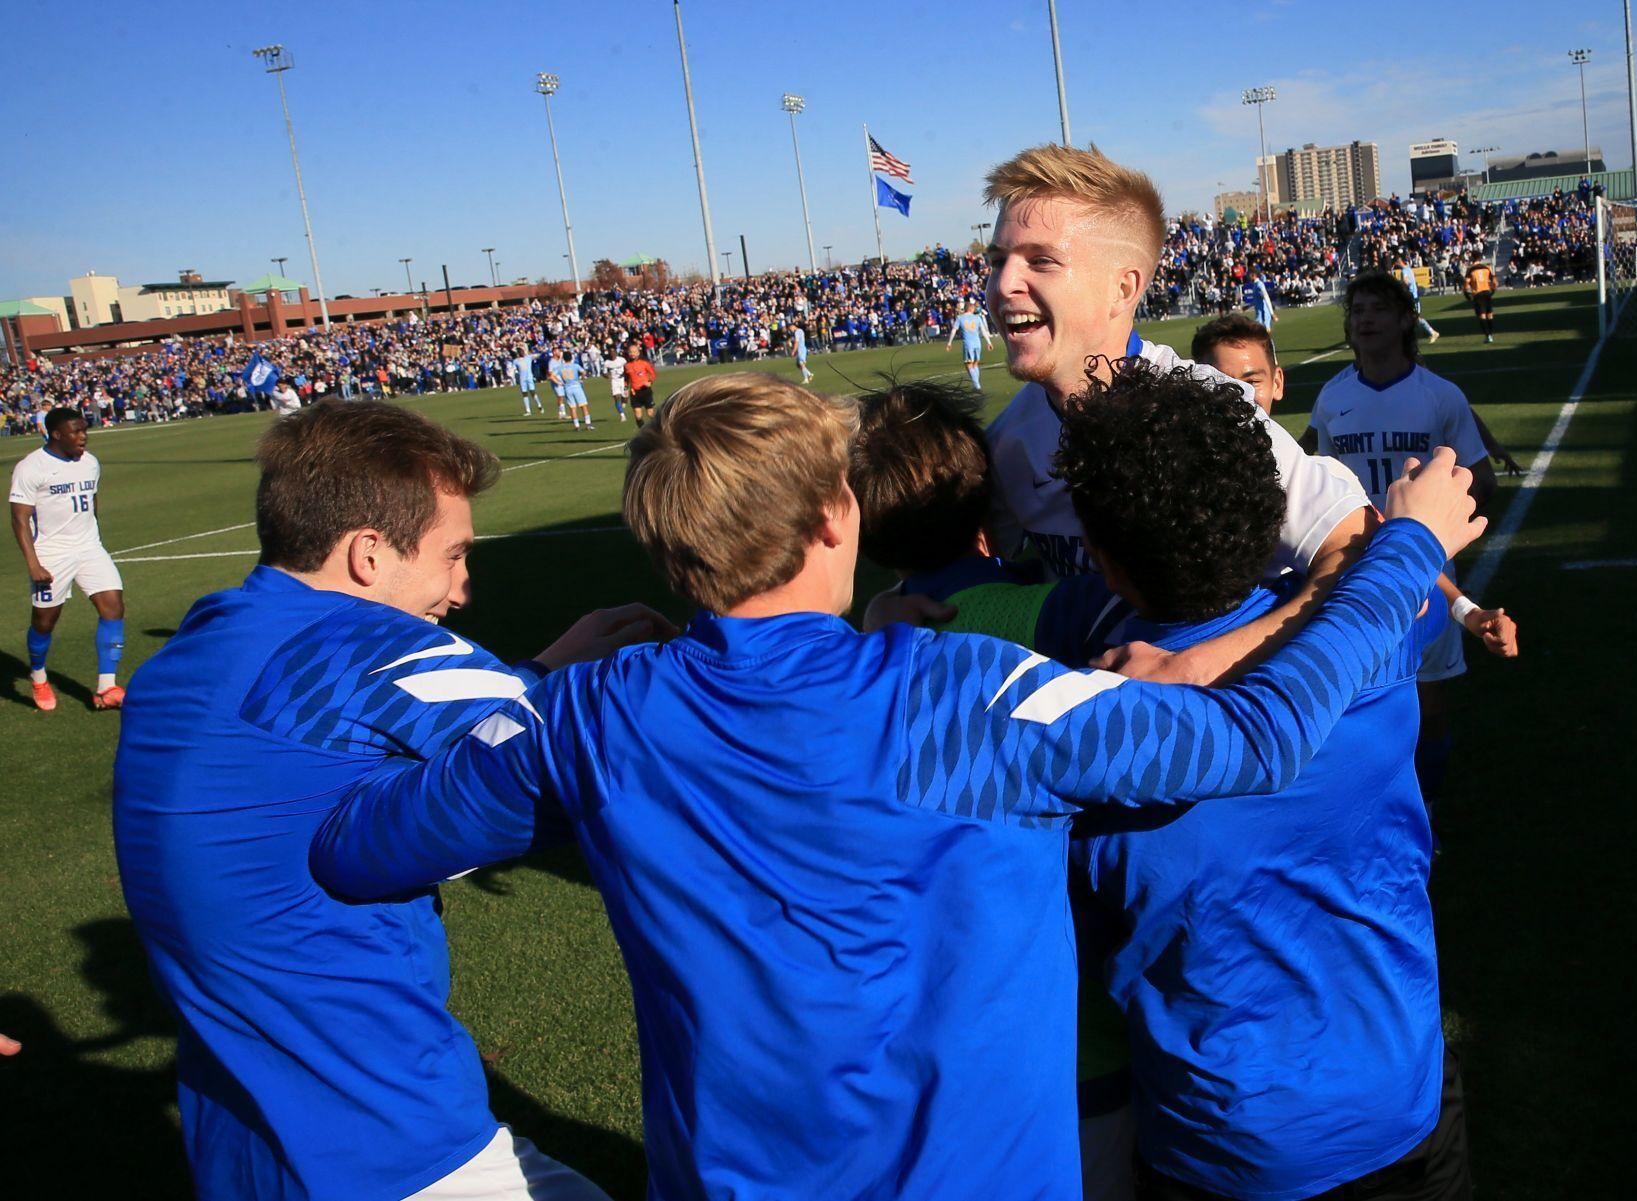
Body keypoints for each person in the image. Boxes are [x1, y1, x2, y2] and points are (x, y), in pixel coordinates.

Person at [309, 372, 1483, 1201]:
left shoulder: (597, 717)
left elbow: (359, 848)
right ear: (836, 516)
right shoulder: (964, 694)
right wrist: (1407, 549)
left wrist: (538, 685)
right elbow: (1257, 736)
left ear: (675, 552)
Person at [848, 366, 1474, 1201]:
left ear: (1101, 558)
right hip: (1395, 1100)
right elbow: (1383, 591)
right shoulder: (1380, 632)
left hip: (1212, 1138)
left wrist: (896, 624)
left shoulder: (1073, 719)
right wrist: (1406, 538)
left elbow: (982, 621)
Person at [114, 401, 667, 1201]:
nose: (463, 589)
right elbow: (582, 743)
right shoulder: (365, 646)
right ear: (368, 554)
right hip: (382, 1140)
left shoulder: (198, 647)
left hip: (241, 1143)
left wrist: (539, 670)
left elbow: (334, 722)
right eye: (453, 555)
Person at [972, 143, 1374, 684]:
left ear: (1124, 287)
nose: (1002, 285)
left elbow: (1359, 553)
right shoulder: (1007, 443)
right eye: (998, 260)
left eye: (1041, 260)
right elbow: (990, 574)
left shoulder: (1213, 417)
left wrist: (1198, 663)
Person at [1192, 314, 1519, 662]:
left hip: (1287, 665)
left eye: (1251, 380)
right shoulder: (1165, 474)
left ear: (1277, 382)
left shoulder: (1313, 480)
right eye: (1219, 381)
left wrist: (1467, 611)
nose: (1239, 394)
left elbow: (1391, 546)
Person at [1303, 270, 1495, 806]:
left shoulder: (1440, 395)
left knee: (1429, 707)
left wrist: (1445, 524)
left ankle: (1426, 805)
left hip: (1425, 564)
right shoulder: (1332, 394)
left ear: (1406, 319)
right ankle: (1370, 804)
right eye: (1357, 310)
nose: (1364, 319)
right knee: (1353, 697)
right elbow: (1319, 472)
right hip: (1350, 564)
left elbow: (1483, 478)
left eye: (1378, 310)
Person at [8, 407, 125, 711]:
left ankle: (106, 687)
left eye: (85, 430)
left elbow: (92, 501)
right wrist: (33, 563)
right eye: (76, 431)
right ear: (57, 434)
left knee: (113, 605)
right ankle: (38, 675)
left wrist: (94, 540)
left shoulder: (90, 463)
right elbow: (20, 519)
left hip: (88, 547)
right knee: (44, 621)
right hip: (51, 552)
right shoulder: (31, 467)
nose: (84, 436)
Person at [945, 298, 994, 390]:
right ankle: (976, 384)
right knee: (975, 364)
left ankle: (977, 385)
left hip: (968, 344)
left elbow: (954, 330)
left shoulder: (960, 318)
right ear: (971, 309)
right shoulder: (977, 318)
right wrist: (989, 342)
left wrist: (949, 342)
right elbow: (983, 331)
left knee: (968, 365)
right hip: (977, 343)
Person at [1395, 258, 1441, 342]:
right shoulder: (1409, 269)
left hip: (1412, 298)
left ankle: (1432, 332)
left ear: (1399, 261)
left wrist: (1400, 284)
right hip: (1411, 297)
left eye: (1396, 263)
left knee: (1414, 318)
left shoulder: (1404, 271)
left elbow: (1406, 282)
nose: (1396, 265)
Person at [1463, 254, 1498, 342]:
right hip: (1487, 292)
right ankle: (1490, 334)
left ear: (1472, 259)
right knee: (1489, 314)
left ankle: (1487, 336)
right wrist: (1493, 290)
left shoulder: (1470, 269)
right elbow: (1494, 281)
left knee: (1482, 315)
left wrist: (1466, 293)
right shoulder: (1486, 268)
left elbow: (1466, 283)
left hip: (1478, 294)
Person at [622, 341, 657, 428]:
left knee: (650, 413)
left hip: (645, 391)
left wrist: (650, 382)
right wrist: (625, 388)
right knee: (638, 415)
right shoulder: (627, 366)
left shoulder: (644, 363)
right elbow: (626, 378)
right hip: (634, 393)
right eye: (630, 352)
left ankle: (659, 427)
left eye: (634, 352)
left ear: (638, 353)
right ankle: (643, 431)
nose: (632, 354)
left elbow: (653, 374)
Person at [558, 348, 592, 429]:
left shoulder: (560, 367)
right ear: (571, 357)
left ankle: (576, 425)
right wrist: (582, 378)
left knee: (572, 407)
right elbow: (584, 372)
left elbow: (551, 375)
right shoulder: (575, 365)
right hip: (576, 386)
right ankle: (588, 424)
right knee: (583, 405)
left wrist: (559, 382)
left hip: (567, 388)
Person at [512, 346, 542, 415]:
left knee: (532, 392)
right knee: (524, 393)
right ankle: (528, 410)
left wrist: (539, 352)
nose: (522, 353)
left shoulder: (528, 357)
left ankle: (539, 405)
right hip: (522, 379)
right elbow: (514, 369)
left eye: (522, 351)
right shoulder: (516, 361)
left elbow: (538, 355)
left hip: (529, 378)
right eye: (520, 352)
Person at [603, 347, 629, 420]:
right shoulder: (607, 363)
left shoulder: (622, 360)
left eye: (613, 352)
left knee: (625, 398)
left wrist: (626, 377)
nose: (612, 354)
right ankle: (622, 415)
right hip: (614, 381)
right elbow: (604, 373)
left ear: (616, 353)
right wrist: (607, 376)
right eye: (610, 353)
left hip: (622, 380)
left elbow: (627, 368)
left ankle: (624, 402)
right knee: (617, 397)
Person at [791, 320, 813, 384]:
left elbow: (797, 342)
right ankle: (809, 374)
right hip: (801, 349)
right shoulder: (800, 330)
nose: (790, 330)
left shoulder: (797, 332)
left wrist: (793, 351)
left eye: (790, 328)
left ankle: (806, 379)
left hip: (801, 350)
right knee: (798, 365)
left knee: (801, 364)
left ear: (793, 326)